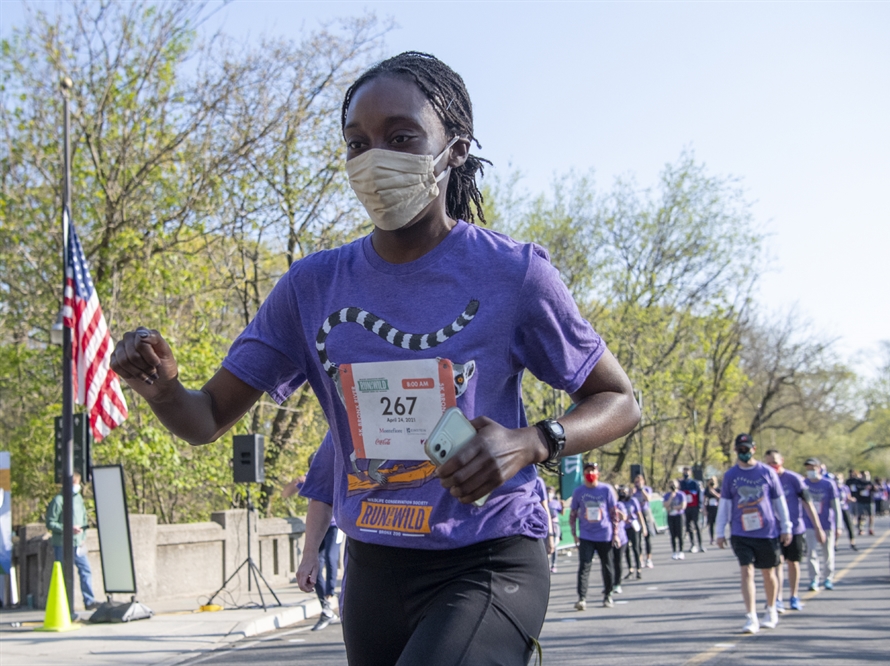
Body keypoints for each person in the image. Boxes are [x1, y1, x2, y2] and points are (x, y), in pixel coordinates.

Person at [110, 51, 640, 666]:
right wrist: (163, 388)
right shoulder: (312, 287)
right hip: (374, 568)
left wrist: (533, 441)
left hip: (487, 555)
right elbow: (205, 419)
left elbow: (620, 401)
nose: (374, 158)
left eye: (401, 137)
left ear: (455, 150)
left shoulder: (514, 274)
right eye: (357, 143)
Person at [714, 434, 792, 634]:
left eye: (746, 448)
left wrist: (786, 527)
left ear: (754, 449)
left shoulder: (767, 472)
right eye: (740, 449)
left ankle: (771, 609)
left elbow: (779, 502)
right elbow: (725, 504)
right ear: (735, 451)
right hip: (741, 531)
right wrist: (720, 531)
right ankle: (751, 616)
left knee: (768, 572)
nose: (744, 452)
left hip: (766, 531)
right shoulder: (731, 475)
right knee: (746, 571)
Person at [282, 448, 342, 630]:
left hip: (335, 525)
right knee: (318, 561)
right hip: (318, 527)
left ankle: (330, 595)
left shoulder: (337, 472)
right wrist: (296, 482)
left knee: (331, 559)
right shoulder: (311, 477)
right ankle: (325, 601)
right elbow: (285, 494)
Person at [764, 450, 826, 611]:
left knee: (793, 563)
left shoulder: (794, 479)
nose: (773, 466)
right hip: (773, 530)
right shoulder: (765, 479)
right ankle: (777, 598)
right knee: (777, 564)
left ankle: (794, 596)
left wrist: (818, 528)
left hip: (795, 529)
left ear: (782, 461)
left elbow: (808, 504)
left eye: (775, 462)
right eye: (769, 463)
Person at [570, 462, 621, 610]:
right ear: (584, 473)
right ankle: (582, 598)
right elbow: (573, 513)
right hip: (586, 535)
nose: (590, 473)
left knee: (607, 566)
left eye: (593, 470)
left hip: (604, 534)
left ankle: (608, 595)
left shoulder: (606, 490)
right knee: (584, 567)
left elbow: (613, 513)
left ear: (598, 473)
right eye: (587, 471)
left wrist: (615, 534)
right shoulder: (579, 491)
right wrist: (574, 534)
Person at [45, 472, 97, 611]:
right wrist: (68, 529)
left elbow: (84, 519)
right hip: (62, 544)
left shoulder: (78, 499)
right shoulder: (58, 501)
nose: (77, 487)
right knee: (62, 574)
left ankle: (89, 601)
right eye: (75, 484)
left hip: (78, 543)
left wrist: (83, 536)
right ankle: (63, 604)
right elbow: (50, 523)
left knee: (85, 570)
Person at [802, 458, 841, 595]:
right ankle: (814, 579)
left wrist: (839, 526)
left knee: (828, 553)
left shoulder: (828, 484)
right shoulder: (803, 484)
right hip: (809, 524)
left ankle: (828, 578)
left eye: (813, 467)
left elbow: (836, 506)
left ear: (819, 468)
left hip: (827, 523)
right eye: (808, 468)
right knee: (811, 553)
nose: (810, 470)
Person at [621, 485, 646, 580]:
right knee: (626, 549)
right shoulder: (620, 502)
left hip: (633, 526)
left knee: (636, 548)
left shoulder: (633, 501)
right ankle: (630, 569)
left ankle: (638, 569)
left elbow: (639, 513)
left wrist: (643, 527)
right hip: (624, 527)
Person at [633, 473, 658, 566]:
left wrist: (641, 489)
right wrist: (633, 491)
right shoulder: (633, 490)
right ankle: (640, 559)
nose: (638, 482)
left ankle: (649, 558)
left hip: (645, 512)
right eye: (636, 480)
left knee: (647, 537)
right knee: (637, 538)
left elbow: (648, 498)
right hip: (636, 514)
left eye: (640, 480)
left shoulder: (647, 489)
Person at [679, 466, 703, 553]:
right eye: (684, 471)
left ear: (691, 472)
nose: (686, 473)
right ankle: (693, 544)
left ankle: (701, 544)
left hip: (695, 507)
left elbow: (700, 495)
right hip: (686, 508)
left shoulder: (695, 483)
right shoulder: (681, 484)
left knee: (697, 525)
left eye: (687, 471)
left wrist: (700, 506)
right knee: (689, 527)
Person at [663, 480, 687, 560]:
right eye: (671, 484)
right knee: (672, 535)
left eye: (674, 484)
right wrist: (671, 497)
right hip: (670, 516)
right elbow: (665, 505)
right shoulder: (667, 495)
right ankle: (674, 551)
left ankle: (681, 551)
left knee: (680, 534)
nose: (672, 486)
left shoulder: (681, 494)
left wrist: (673, 507)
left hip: (679, 515)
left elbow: (683, 506)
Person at [612, 488, 630, 594]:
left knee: (618, 561)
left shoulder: (620, 505)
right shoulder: (604, 506)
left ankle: (617, 584)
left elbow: (624, 517)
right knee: (609, 562)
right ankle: (609, 584)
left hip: (621, 538)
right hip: (608, 538)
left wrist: (615, 510)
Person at [835, 473, 857, 551]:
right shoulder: (833, 488)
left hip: (844, 508)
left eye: (839, 478)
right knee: (836, 527)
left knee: (849, 526)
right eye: (836, 478)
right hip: (835, 510)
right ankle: (835, 544)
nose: (837, 480)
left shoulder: (845, 488)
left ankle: (852, 543)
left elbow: (848, 497)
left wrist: (851, 499)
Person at [547, 486, 564, 573]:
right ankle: (545, 565)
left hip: (555, 526)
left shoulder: (555, 503)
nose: (549, 494)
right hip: (545, 526)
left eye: (551, 492)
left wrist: (563, 505)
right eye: (548, 492)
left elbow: (562, 512)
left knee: (554, 546)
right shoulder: (543, 502)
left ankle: (554, 564)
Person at [854, 470, 875, 535]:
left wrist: (874, 488)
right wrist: (864, 488)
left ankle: (870, 528)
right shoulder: (858, 482)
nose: (867, 477)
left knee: (871, 515)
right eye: (865, 475)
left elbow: (874, 489)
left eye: (868, 475)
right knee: (861, 515)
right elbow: (856, 489)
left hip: (870, 501)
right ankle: (860, 529)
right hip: (861, 501)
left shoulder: (870, 482)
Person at [704, 477, 721, 542]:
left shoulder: (718, 489)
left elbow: (720, 497)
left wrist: (713, 492)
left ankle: (719, 536)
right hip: (709, 508)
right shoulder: (707, 490)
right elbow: (704, 500)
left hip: (716, 507)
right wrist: (705, 510)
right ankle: (712, 538)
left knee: (718, 523)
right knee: (711, 524)